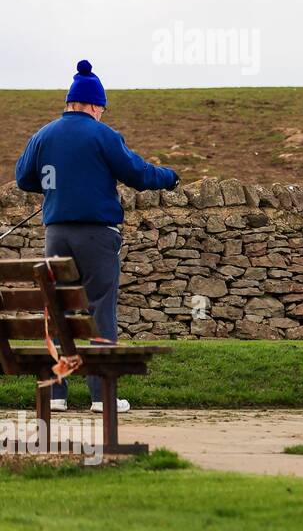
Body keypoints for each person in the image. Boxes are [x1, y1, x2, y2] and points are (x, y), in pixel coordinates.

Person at [14, 60, 180, 414]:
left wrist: (54, 187)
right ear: (91, 104)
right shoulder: (102, 135)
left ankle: (56, 394)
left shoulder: (43, 135)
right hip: (97, 235)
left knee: (59, 309)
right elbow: (136, 173)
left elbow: (24, 178)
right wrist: (170, 177)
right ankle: (101, 396)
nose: (101, 113)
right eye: (101, 107)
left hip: (56, 234)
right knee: (100, 307)